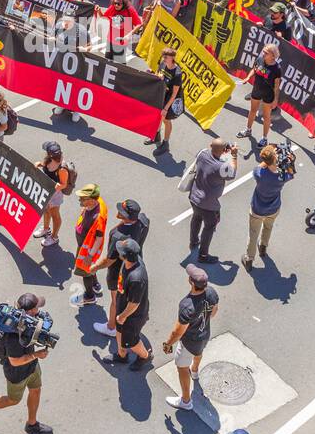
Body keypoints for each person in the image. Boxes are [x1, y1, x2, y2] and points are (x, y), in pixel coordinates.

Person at [0, 292, 53, 434]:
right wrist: (37, 355)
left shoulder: (27, 322)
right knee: (12, 400)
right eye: (36, 308)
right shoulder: (13, 337)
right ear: (29, 312)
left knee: (36, 390)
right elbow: (15, 361)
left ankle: (32, 424)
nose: (39, 310)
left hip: (32, 365)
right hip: (17, 373)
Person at [163, 264, 219, 412]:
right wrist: (203, 321)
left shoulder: (186, 305)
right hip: (204, 334)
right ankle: (195, 371)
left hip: (189, 341)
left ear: (192, 282)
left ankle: (186, 401)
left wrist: (168, 344)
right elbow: (213, 312)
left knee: (181, 367)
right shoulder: (212, 293)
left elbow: (178, 332)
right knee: (199, 353)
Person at [98, 238, 153, 370]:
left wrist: (122, 317)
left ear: (125, 257)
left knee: (132, 341)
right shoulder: (132, 262)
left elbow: (134, 304)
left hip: (132, 316)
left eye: (120, 252)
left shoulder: (136, 278)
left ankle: (145, 357)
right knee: (119, 333)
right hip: (122, 309)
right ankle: (122, 356)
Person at [243, 143, 294, 271]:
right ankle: (263, 247)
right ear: (275, 159)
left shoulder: (259, 173)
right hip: (273, 208)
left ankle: (249, 258)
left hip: (257, 209)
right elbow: (291, 174)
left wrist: (269, 157)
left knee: (253, 233)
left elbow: (261, 165)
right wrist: (290, 162)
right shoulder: (282, 177)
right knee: (268, 227)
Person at [187, 138, 238, 264]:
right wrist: (234, 155)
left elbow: (212, 155)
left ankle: (193, 242)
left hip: (194, 197)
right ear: (223, 150)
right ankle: (203, 255)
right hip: (208, 204)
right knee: (209, 227)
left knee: (196, 218)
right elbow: (232, 173)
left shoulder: (202, 154)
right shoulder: (221, 167)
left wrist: (221, 152)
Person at [238, 42, 283, 146]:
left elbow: (277, 85)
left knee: (266, 117)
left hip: (268, 94)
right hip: (257, 90)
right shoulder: (259, 59)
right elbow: (254, 69)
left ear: (273, 56)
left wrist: (275, 99)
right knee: (253, 110)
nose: (263, 53)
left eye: (266, 52)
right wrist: (248, 77)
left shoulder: (277, 69)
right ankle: (248, 130)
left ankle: (264, 138)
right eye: (263, 51)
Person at [72, 183, 108, 305]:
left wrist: (89, 256)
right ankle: (96, 285)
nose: (80, 200)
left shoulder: (98, 219)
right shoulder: (97, 202)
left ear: (92, 200)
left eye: (83, 198)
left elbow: (99, 239)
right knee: (90, 269)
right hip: (85, 246)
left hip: (87, 251)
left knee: (84, 272)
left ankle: (89, 296)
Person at [34, 141, 73, 246]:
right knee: (46, 211)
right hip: (46, 190)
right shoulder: (48, 159)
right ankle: (46, 229)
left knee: (55, 215)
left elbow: (64, 184)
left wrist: (56, 186)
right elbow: (48, 168)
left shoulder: (62, 169)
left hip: (55, 194)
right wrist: (41, 164)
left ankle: (54, 237)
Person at [146, 47, 184, 155]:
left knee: (166, 120)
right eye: (163, 56)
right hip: (161, 94)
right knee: (157, 116)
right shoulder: (163, 63)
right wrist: (156, 75)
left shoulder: (177, 73)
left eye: (166, 57)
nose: (164, 58)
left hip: (170, 99)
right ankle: (156, 137)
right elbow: (158, 75)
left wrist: (166, 108)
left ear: (172, 58)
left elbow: (174, 93)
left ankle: (166, 143)